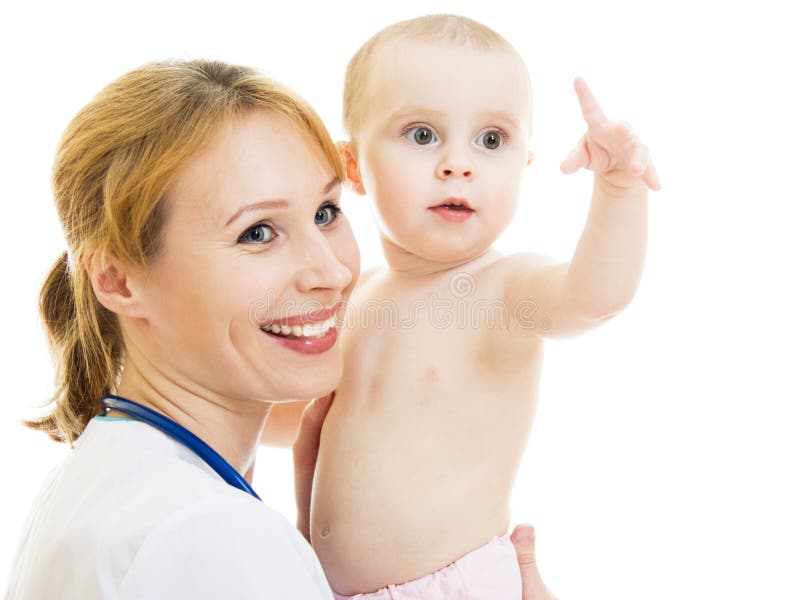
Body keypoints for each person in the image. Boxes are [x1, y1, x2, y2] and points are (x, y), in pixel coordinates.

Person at [6, 59, 555, 599]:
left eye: (325, 213)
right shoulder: (204, 533)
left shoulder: (115, 486)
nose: (333, 273)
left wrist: (300, 569)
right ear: (120, 281)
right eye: (257, 232)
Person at [300, 14, 659, 599]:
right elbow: (313, 415)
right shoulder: (359, 291)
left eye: (491, 140)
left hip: (454, 586)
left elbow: (595, 299)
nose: (458, 163)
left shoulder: (504, 290)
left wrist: (619, 190)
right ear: (354, 166)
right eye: (422, 135)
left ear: (524, 165)